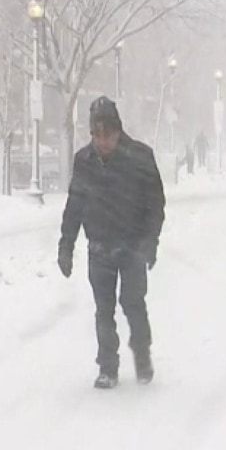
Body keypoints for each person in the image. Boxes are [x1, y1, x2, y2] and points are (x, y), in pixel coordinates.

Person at [58, 96, 166, 389]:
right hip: (99, 246)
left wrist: (150, 242)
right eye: (97, 135)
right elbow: (75, 205)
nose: (103, 142)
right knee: (103, 309)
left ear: (119, 131)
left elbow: (155, 204)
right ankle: (107, 367)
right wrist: (66, 245)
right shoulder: (84, 162)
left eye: (108, 135)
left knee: (133, 303)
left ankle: (142, 355)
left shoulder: (140, 158)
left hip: (132, 247)